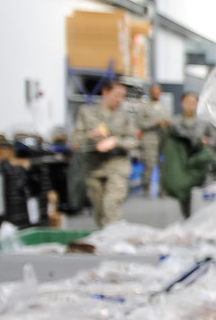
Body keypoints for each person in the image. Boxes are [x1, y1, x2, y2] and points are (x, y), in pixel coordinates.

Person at [71, 81, 137, 228]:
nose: (119, 100)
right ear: (105, 92)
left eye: (123, 96)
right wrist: (91, 135)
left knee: (111, 205)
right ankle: (105, 242)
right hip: (94, 167)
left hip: (117, 165)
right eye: (116, 95)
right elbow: (75, 141)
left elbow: (134, 141)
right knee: (100, 211)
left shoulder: (125, 117)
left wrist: (115, 141)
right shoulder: (87, 113)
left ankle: (114, 242)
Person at [162, 91, 215, 218]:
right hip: (182, 163)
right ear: (182, 103)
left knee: (201, 194)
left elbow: (214, 140)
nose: (190, 106)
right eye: (188, 103)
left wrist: (207, 142)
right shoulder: (174, 123)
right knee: (184, 193)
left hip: (199, 163)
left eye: (193, 103)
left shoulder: (204, 123)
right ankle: (187, 218)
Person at [133, 82, 169, 199]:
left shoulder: (164, 107)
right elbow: (139, 123)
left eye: (158, 91)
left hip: (162, 138)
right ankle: (146, 189)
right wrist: (154, 122)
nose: (156, 93)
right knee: (149, 165)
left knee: (163, 165)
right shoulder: (145, 107)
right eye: (154, 91)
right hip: (149, 139)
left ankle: (163, 190)